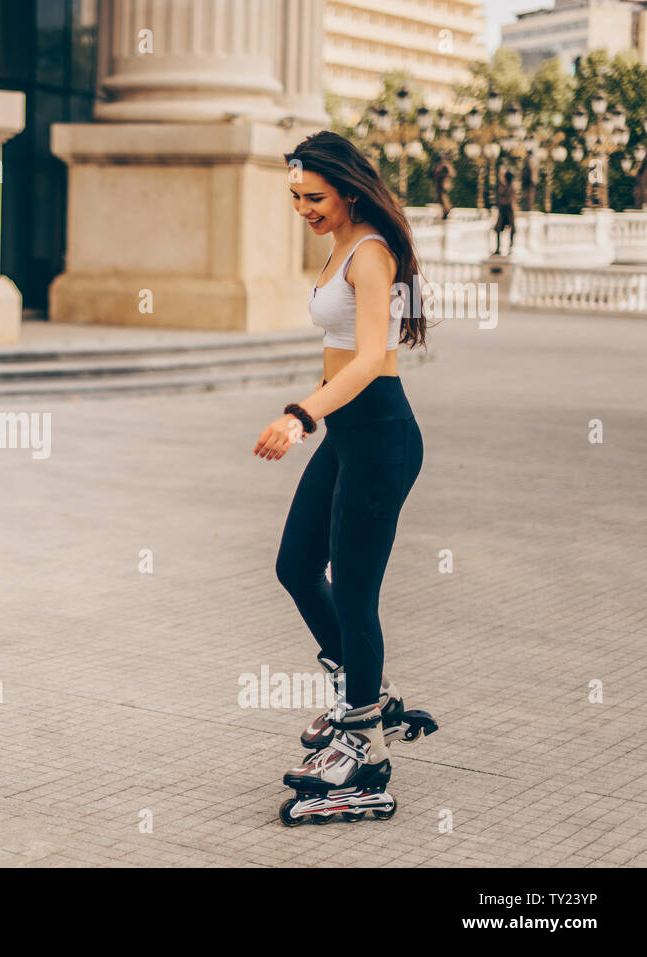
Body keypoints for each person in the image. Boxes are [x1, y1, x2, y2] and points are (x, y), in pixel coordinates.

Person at [258, 130, 439, 825]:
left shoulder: (370, 253)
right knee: (297, 564)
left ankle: (364, 750)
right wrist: (317, 412)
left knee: (357, 593)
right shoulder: (340, 243)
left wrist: (300, 413)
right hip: (351, 435)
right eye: (295, 197)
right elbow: (340, 357)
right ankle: (365, 694)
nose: (302, 208)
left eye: (313, 196)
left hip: (382, 437)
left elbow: (368, 360)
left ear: (348, 190)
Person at [494, 168, 516, 255]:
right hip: (503, 211)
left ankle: (510, 247)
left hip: (508, 211)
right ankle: (498, 247)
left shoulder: (511, 188)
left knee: (512, 230)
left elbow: (507, 200)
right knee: (498, 229)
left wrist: (501, 201)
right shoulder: (504, 187)